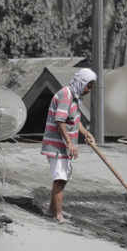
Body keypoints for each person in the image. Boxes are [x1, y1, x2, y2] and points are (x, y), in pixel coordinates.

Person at [40, 68, 97, 223]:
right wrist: (70, 143)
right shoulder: (66, 95)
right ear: (80, 81)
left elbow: (74, 120)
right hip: (57, 145)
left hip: (63, 146)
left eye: (91, 87)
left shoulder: (75, 97)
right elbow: (60, 120)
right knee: (59, 178)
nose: (88, 90)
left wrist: (85, 132)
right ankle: (58, 216)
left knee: (63, 178)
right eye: (87, 85)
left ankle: (52, 209)